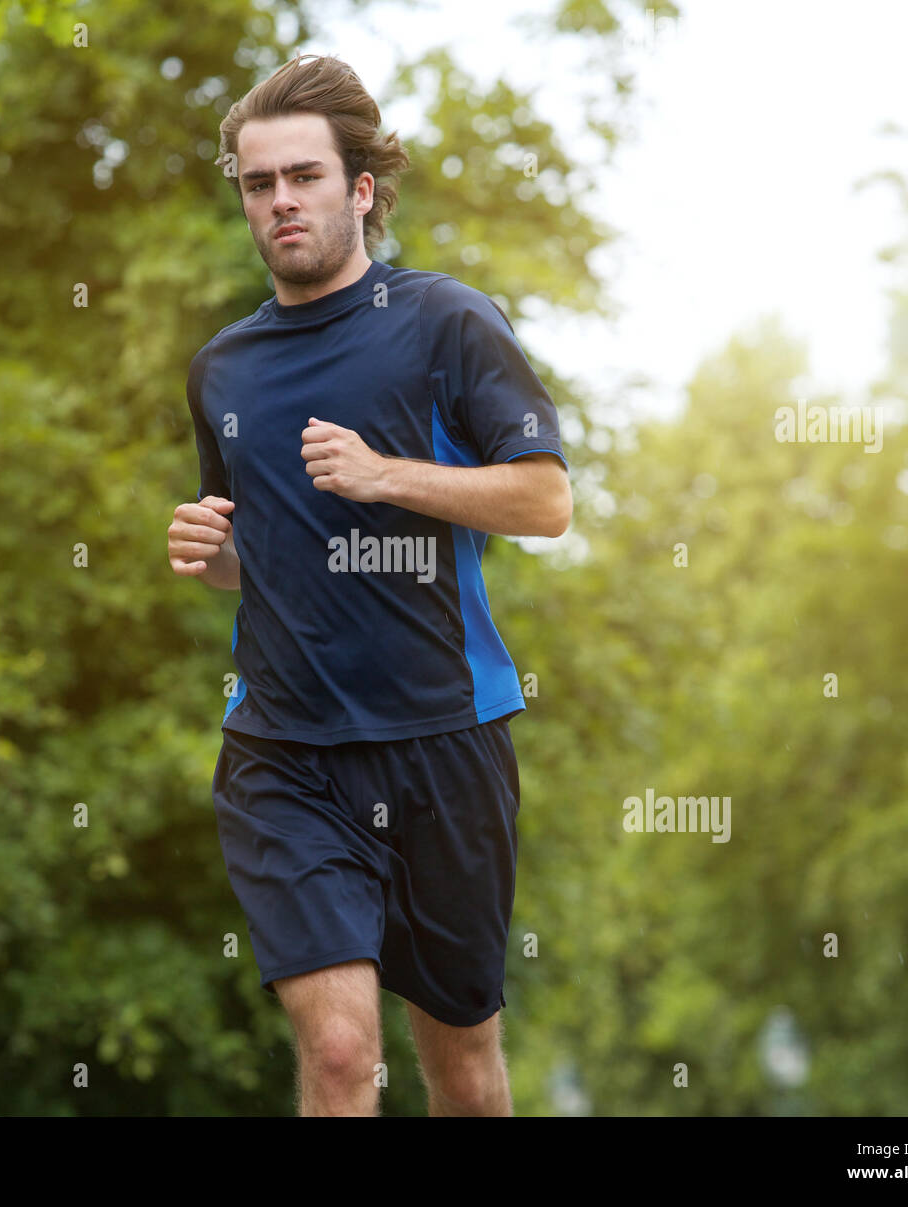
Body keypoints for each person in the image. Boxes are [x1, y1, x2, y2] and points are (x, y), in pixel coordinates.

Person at [168, 52, 571, 1116]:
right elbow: (264, 557)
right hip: (283, 751)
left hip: (443, 737)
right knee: (343, 1055)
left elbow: (544, 503)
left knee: (463, 1069)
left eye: (303, 176)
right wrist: (219, 559)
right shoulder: (223, 369)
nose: (280, 202)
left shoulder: (444, 322)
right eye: (259, 184)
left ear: (360, 188)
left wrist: (387, 474)